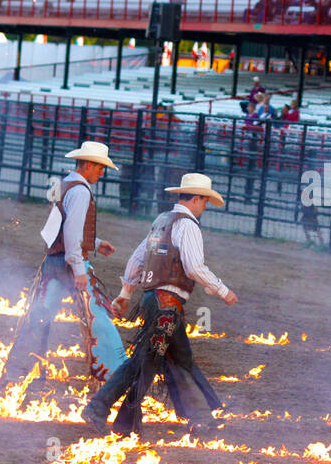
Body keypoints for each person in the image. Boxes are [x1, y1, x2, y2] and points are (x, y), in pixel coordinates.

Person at [81, 173, 238, 437]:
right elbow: (194, 267)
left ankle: (200, 416)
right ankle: (99, 408)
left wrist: (126, 291)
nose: (206, 206)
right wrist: (222, 290)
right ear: (197, 198)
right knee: (144, 362)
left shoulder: (161, 221)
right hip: (167, 309)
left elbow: (139, 257)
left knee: (179, 359)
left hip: (156, 304)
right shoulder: (188, 226)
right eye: (205, 201)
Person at [2, 142, 124, 385]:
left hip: (52, 262)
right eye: (100, 168)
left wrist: (95, 242)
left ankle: (17, 372)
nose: (102, 173)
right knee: (98, 316)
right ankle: (116, 376)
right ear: (88, 165)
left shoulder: (64, 184)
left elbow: (61, 227)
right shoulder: (80, 191)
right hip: (70, 265)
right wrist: (79, 269)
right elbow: (70, 232)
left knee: (40, 316)